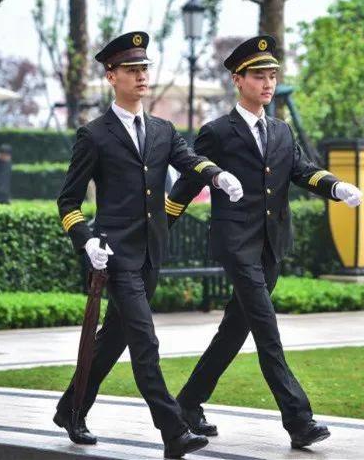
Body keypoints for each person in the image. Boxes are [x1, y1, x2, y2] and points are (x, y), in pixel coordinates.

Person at [166, 35, 363, 450]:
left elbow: (302, 170)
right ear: (238, 80)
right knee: (266, 330)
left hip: (271, 244)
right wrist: (155, 228)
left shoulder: (281, 130)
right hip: (236, 245)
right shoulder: (217, 132)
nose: (268, 83)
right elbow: (188, 183)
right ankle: (299, 420)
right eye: (259, 76)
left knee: (234, 330)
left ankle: (187, 403)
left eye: (272, 75)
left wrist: (335, 186)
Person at [53, 31, 244, 459]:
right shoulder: (94, 135)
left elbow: (189, 160)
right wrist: (86, 240)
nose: (141, 76)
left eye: (144, 68)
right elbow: (68, 202)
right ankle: (173, 432)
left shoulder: (161, 130)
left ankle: (69, 409)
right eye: (131, 69)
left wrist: (216, 175)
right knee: (145, 342)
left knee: (112, 340)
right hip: (115, 256)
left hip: (151, 252)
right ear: (111, 76)